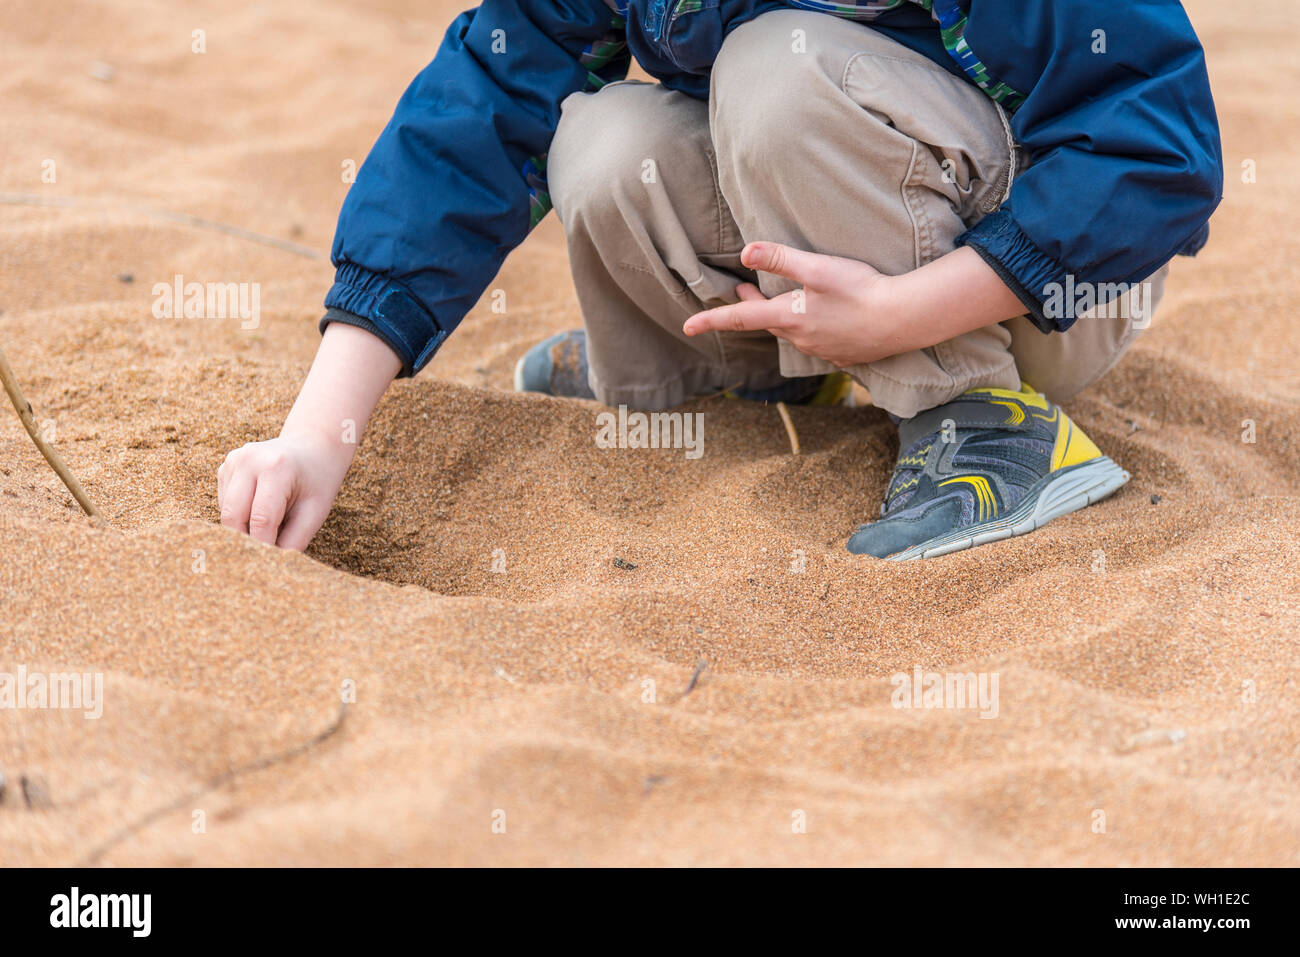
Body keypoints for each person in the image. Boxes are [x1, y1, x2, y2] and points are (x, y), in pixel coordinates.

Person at [218, 0, 1222, 560]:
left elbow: (1157, 154)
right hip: (852, 247)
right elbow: (470, 126)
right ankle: (749, 379)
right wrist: (316, 436)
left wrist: (901, 314)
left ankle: (984, 418)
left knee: (774, 69)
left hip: (1050, 296)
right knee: (604, 141)